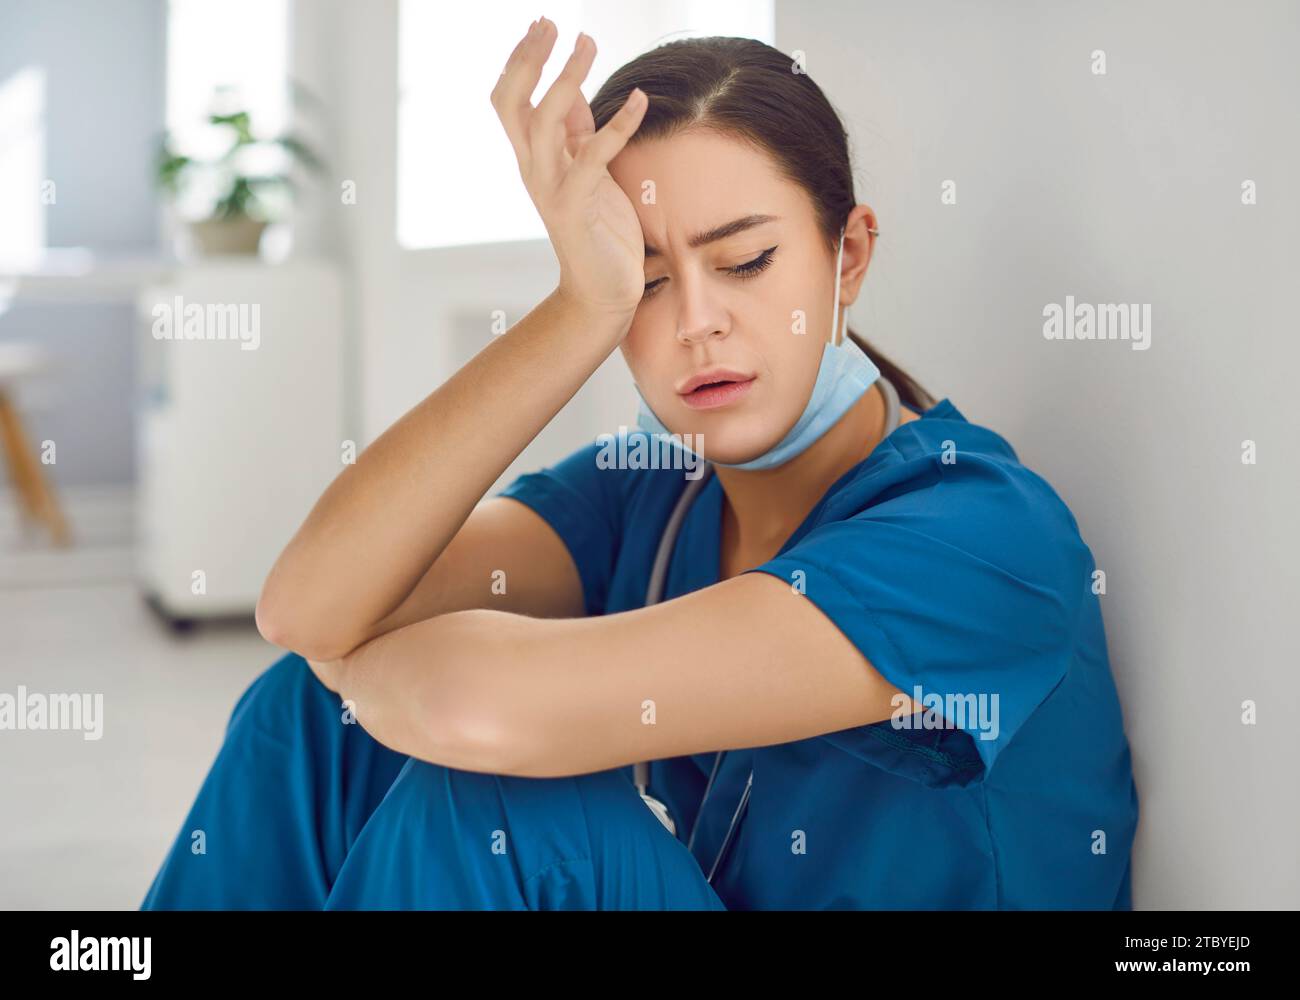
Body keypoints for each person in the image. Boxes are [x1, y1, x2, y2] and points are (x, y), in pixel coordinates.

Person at [141, 19, 1138, 911]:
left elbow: (469, 705)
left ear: (848, 258)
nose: (696, 320)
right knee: (313, 715)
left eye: (745, 263)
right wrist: (578, 310)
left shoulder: (978, 536)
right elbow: (304, 605)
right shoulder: (648, 492)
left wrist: (366, 647)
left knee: (496, 797)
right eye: (645, 281)